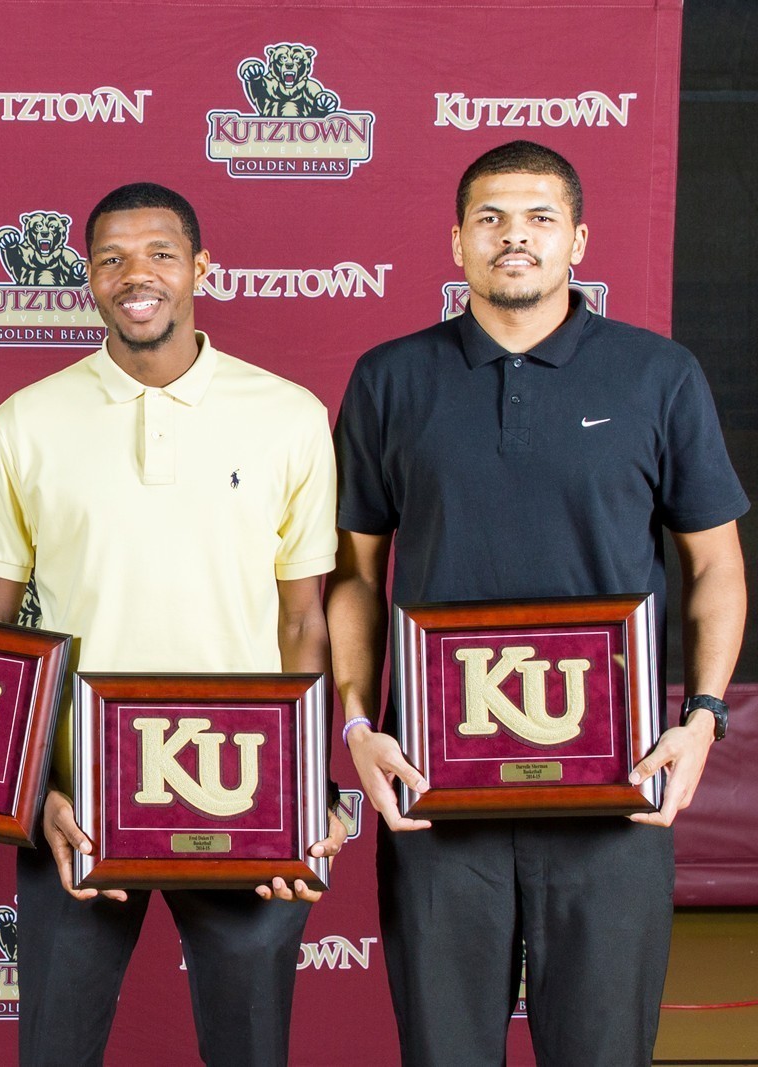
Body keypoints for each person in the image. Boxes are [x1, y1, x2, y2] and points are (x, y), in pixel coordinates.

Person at [326, 139, 748, 1066]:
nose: (514, 238)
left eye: (539, 218)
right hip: (438, 795)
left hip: (616, 794)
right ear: (457, 243)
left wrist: (703, 718)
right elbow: (354, 575)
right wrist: (358, 726)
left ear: (578, 240)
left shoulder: (657, 374)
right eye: (491, 219)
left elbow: (715, 563)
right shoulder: (390, 378)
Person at [0, 182, 347, 1067]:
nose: (137, 276)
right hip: (76, 800)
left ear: (202, 268)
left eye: (161, 254)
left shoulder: (288, 415)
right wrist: (20, 795)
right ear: (88, 279)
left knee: (251, 1050)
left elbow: (305, 621)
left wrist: (304, 789)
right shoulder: (25, 422)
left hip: (246, 792)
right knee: (55, 1050)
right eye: (111, 259)